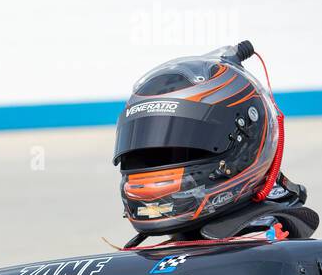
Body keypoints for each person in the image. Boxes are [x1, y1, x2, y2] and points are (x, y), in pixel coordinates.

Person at [113, 39, 318, 246]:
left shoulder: (269, 249)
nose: (152, 159)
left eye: (187, 143)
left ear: (243, 143)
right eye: (144, 148)